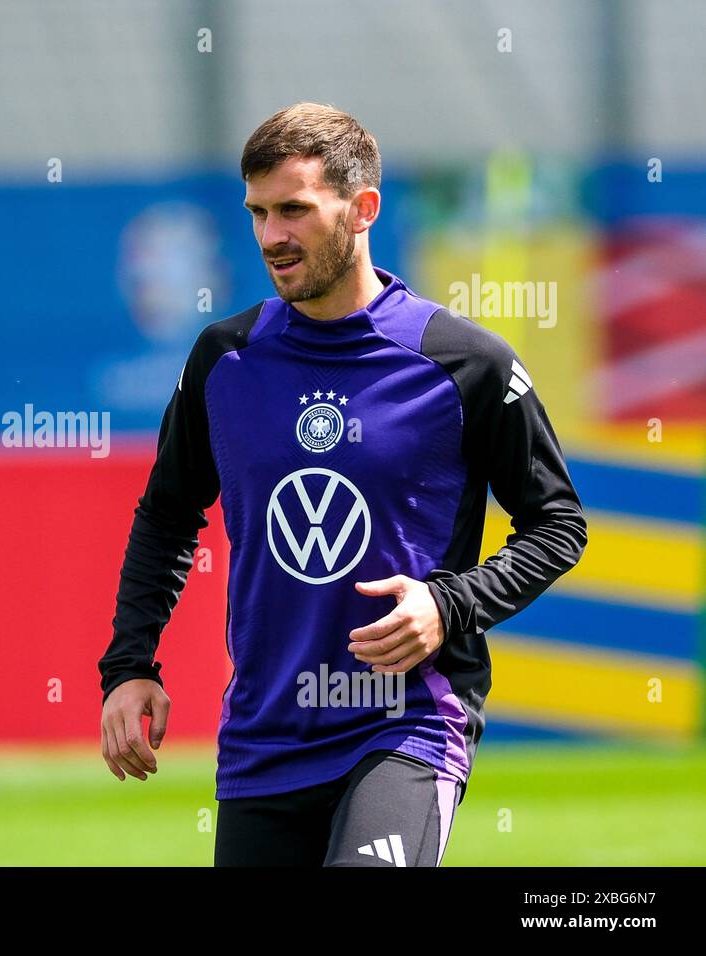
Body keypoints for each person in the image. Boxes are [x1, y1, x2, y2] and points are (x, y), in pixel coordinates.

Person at [98, 103, 587, 866]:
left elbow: (558, 523)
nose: (270, 237)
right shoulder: (222, 360)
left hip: (404, 724)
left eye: (294, 209)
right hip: (266, 734)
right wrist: (129, 666)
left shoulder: (464, 363)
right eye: (258, 212)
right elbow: (166, 516)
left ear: (362, 210)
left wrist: (448, 603)